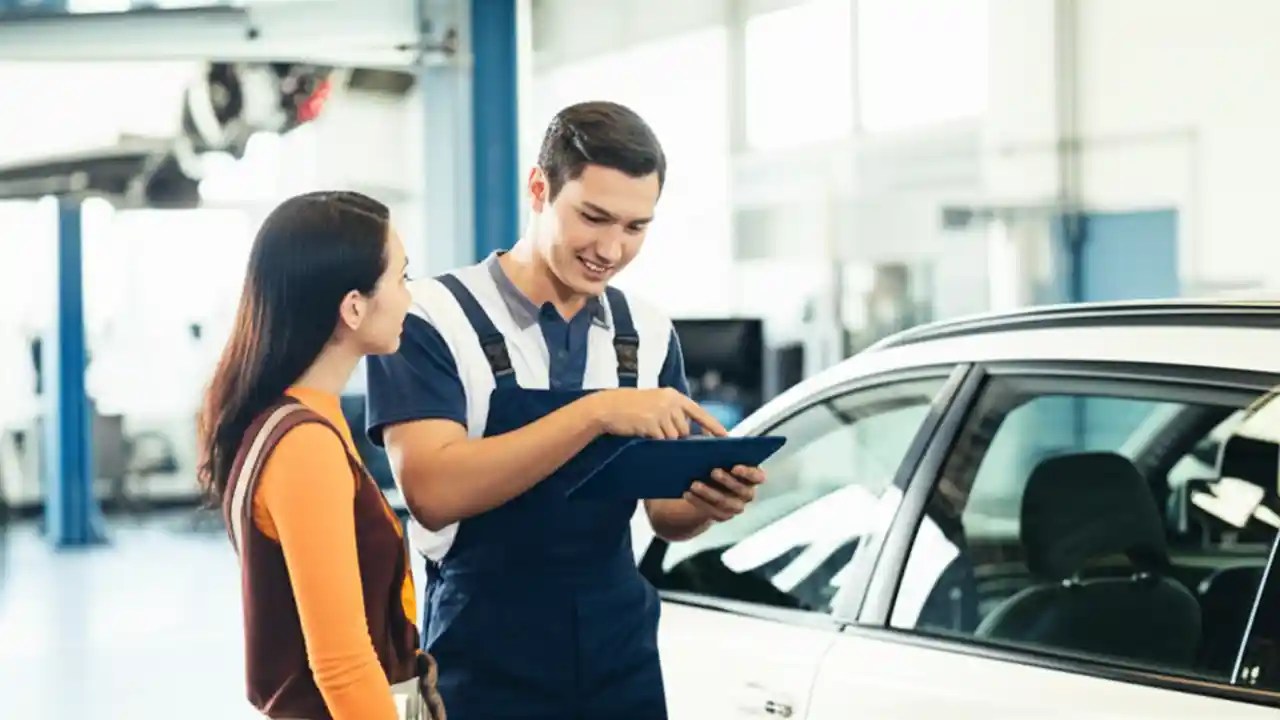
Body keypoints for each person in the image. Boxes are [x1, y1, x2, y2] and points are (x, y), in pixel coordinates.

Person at [365, 100, 767, 719]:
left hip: (619, 653)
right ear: (538, 188)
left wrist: (708, 501)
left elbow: (665, 516)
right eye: (594, 217)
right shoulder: (430, 317)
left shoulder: (649, 332)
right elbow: (433, 491)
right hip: (482, 654)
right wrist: (597, 413)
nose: (611, 248)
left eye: (636, 227)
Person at [196, 191, 445, 720]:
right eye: (401, 279)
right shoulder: (303, 445)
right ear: (353, 307)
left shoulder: (294, 420)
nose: (409, 298)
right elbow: (342, 664)